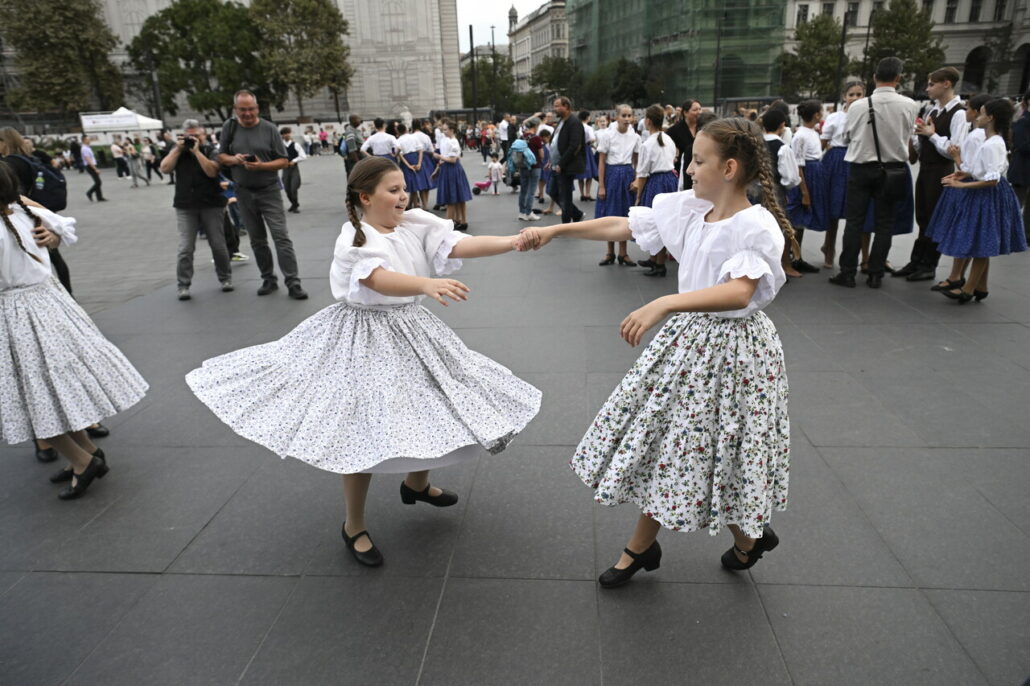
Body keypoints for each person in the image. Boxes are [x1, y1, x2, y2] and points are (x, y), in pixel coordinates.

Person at [186, 156, 541, 567]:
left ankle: (416, 483)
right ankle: (353, 524)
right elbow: (375, 278)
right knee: (361, 426)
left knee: (433, 404)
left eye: (404, 188)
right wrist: (425, 282)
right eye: (393, 190)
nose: (403, 196)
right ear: (365, 197)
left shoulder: (414, 222)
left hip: (411, 328)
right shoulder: (355, 236)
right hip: (364, 334)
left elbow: (458, 244)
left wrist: (512, 242)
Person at [518, 117, 792, 588]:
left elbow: (738, 293)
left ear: (729, 168)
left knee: (700, 446)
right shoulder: (692, 208)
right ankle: (737, 537)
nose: (688, 170)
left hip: (733, 353)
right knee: (678, 443)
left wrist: (665, 301)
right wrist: (559, 232)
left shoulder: (755, 225)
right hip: (690, 343)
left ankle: (684, 544)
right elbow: (624, 222)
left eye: (698, 161)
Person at [0, 163, 148, 498]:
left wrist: (50, 239)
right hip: (50, 304)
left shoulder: (18, 215)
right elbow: (64, 228)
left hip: (16, 314)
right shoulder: (23, 209)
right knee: (53, 389)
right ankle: (88, 453)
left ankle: (82, 461)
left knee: (31, 398)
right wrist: (52, 238)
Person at [830, 57, 919, 289]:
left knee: (854, 222)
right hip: (893, 169)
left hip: (861, 167)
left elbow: (847, 136)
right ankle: (875, 272)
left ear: (874, 77)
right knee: (884, 223)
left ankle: (847, 272)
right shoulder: (910, 105)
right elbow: (908, 135)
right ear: (898, 79)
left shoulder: (858, 106)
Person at [927, 98, 1026, 303]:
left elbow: (991, 179)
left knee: (981, 243)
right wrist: (964, 173)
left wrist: (963, 184)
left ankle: (969, 288)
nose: (978, 117)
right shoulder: (991, 141)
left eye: (981, 113)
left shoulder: (993, 144)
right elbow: (982, 171)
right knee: (981, 241)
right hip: (984, 195)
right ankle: (979, 286)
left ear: (990, 118)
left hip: (986, 196)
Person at [217, 90, 307, 300]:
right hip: (243, 191)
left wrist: (261, 166)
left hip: (269, 191)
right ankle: (268, 278)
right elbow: (221, 155)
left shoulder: (269, 129)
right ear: (235, 110)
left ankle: (293, 282)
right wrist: (236, 159)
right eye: (242, 110)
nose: (247, 113)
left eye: (251, 109)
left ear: (257, 109)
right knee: (257, 240)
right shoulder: (229, 128)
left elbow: (283, 161)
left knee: (281, 236)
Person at [895, 67, 968, 282]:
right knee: (923, 215)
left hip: (941, 169)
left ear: (946, 84)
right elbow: (922, 140)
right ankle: (917, 260)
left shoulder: (959, 113)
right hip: (927, 168)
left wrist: (932, 134)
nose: (928, 89)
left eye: (931, 84)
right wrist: (917, 136)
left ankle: (929, 264)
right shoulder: (933, 110)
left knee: (934, 216)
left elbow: (954, 148)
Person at [928, 93, 992, 293]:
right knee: (976, 236)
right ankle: (979, 284)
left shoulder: (976, 136)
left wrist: (956, 156)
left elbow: (971, 167)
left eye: (969, 108)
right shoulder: (985, 135)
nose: (965, 111)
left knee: (965, 233)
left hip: (972, 188)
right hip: (978, 186)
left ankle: (958, 278)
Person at [162, 119, 233, 301]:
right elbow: (165, 168)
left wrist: (197, 151)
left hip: (212, 204)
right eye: (189, 136)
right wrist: (178, 149)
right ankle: (183, 285)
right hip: (185, 205)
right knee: (185, 247)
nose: (193, 139)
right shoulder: (179, 152)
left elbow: (212, 171)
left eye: (197, 135)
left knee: (218, 244)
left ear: (204, 135)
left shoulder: (211, 150)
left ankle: (225, 278)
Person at [819, 81, 866, 269]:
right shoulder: (835, 117)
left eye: (859, 94)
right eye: (851, 94)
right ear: (844, 97)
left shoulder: (866, 116)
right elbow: (823, 140)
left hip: (857, 159)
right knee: (834, 207)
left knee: (856, 210)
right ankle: (829, 248)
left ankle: (861, 255)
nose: (854, 98)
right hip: (837, 160)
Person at [631, 104, 678, 277]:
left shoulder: (647, 144)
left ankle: (659, 264)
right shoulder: (669, 139)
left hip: (656, 182)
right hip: (670, 180)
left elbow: (642, 173)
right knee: (663, 221)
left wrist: (638, 195)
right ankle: (655, 258)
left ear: (648, 121)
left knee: (655, 222)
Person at [784, 99, 826, 276]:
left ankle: (797, 257)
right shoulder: (801, 135)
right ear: (816, 114)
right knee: (795, 220)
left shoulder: (812, 132)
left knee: (801, 221)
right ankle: (788, 258)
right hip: (806, 176)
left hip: (813, 174)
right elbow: (798, 164)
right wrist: (804, 191)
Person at [595, 104, 640, 266]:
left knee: (625, 213)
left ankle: (623, 252)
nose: (627, 119)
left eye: (630, 116)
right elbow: (601, 161)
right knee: (610, 212)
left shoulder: (635, 136)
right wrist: (601, 185)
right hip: (612, 174)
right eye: (624, 116)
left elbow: (636, 160)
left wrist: (636, 179)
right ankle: (610, 252)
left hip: (627, 173)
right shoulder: (607, 135)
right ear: (617, 117)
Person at [552, 96, 586, 224]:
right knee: (553, 191)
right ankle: (576, 214)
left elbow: (575, 146)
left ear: (565, 106)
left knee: (565, 195)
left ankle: (566, 224)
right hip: (556, 164)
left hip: (566, 165)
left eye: (557, 106)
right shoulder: (562, 121)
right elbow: (556, 141)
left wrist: (561, 163)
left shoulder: (574, 122)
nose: (555, 109)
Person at [433, 121, 471, 231]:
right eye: (443, 129)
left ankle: (451, 223)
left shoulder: (453, 142)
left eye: (445, 129)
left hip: (452, 169)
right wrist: (438, 168)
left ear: (452, 130)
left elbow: (453, 160)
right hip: (449, 168)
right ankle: (460, 221)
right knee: (458, 197)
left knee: (452, 198)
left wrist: (439, 156)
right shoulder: (447, 140)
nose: (443, 131)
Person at [665, 100, 702, 192]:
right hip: (682, 171)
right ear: (685, 112)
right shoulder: (674, 131)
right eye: (695, 110)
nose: (699, 112)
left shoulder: (704, 127)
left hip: (701, 171)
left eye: (700, 109)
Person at [1009, 90, 1030, 239]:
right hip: (1022, 168)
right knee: (1016, 203)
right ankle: (1010, 231)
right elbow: (1022, 145)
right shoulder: (1023, 121)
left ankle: (1025, 233)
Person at [395, 123, 425, 205]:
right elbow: (420, 150)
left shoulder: (398, 140)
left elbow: (400, 155)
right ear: (406, 129)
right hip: (415, 158)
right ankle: (418, 205)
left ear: (398, 131)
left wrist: (408, 166)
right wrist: (419, 163)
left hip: (406, 160)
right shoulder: (414, 137)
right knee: (418, 184)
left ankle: (413, 205)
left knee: (411, 185)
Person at [279, 126, 307, 214]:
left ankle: (295, 206)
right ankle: (294, 203)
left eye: (288, 133)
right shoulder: (280, 146)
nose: (286, 135)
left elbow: (303, 156)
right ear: (282, 136)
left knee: (293, 188)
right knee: (287, 188)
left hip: (294, 168)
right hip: (285, 169)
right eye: (284, 134)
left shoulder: (295, 144)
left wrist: (294, 161)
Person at [413, 119, 437, 209]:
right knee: (426, 182)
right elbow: (431, 149)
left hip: (415, 158)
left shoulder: (411, 136)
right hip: (426, 159)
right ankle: (425, 204)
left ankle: (417, 203)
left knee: (418, 182)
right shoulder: (425, 136)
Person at [576, 110, 598, 201]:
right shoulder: (588, 128)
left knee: (580, 173)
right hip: (586, 149)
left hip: (577, 150)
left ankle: (582, 194)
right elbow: (592, 139)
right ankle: (588, 193)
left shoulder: (576, 126)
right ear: (587, 117)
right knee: (589, 174)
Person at [81, 135, 105, 202]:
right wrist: (95, 169)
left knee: (97, 182)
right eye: (88, 139)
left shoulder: (87, 148)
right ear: (84, 140)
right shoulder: (84, 149)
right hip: (90, 166)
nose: (89, 140)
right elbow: (88, 159)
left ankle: (99, 197)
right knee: (98, 182)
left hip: (92, 165)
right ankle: (89, 193)